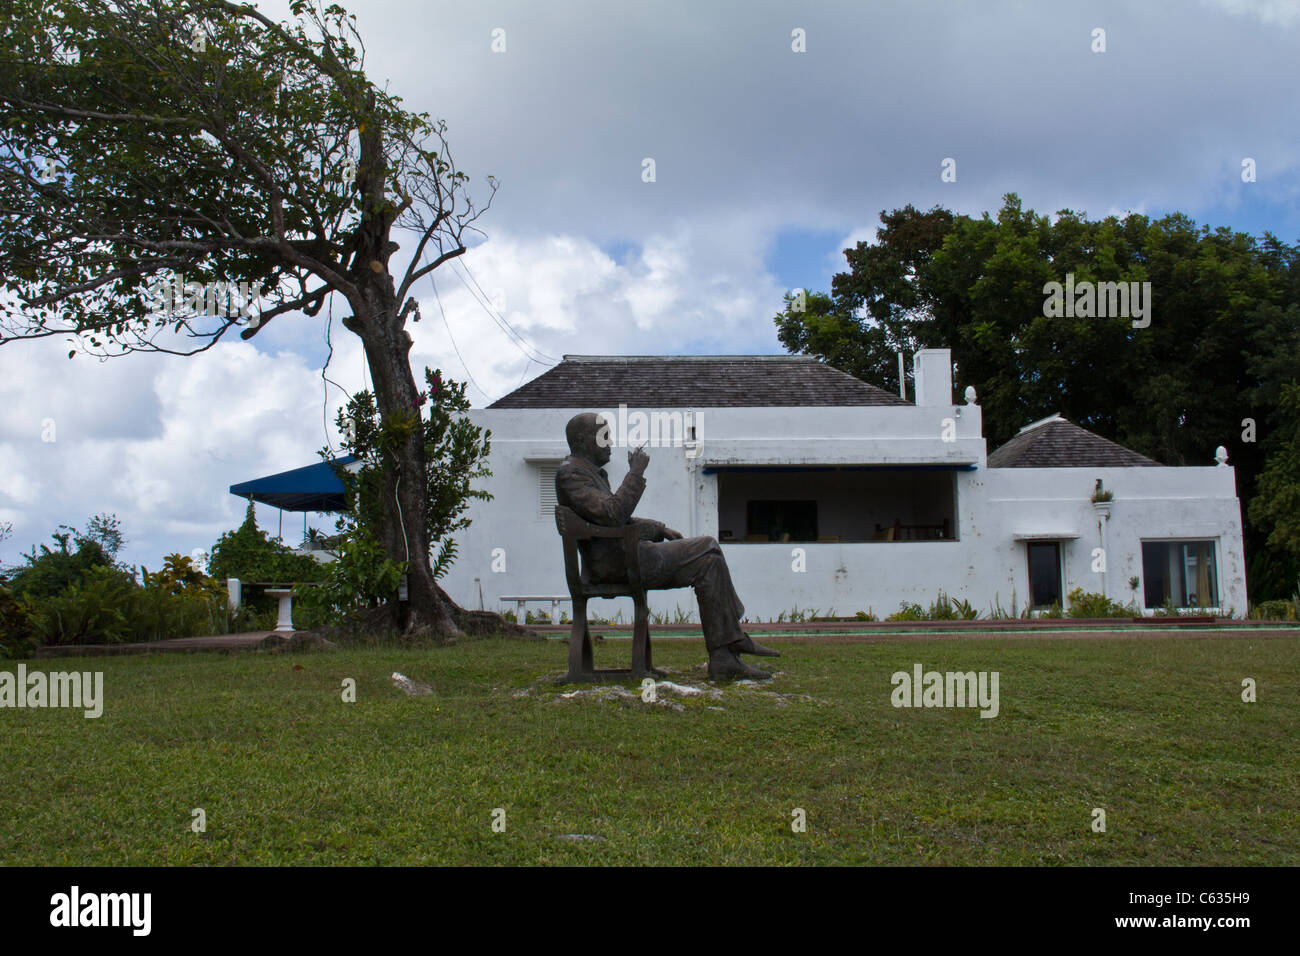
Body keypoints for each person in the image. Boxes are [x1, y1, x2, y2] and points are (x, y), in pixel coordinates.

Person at [555, 412, 780, 680]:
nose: (610, 442)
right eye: (603, 436)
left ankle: (726, 652)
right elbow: (612, 515)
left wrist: (657, 528)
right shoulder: (571, 474)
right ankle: (728, 646)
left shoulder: (587, 473)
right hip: (617, 564)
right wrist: (635, 473)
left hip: (623, 557)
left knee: (709, 553)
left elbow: (612, 519)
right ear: (581, 441)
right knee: (707, 549)